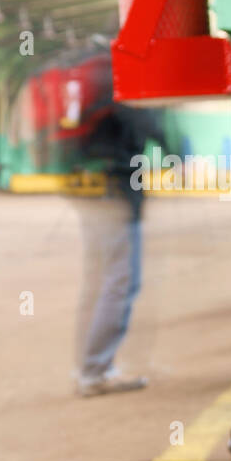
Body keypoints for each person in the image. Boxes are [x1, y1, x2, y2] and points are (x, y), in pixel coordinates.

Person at [64, 47, 166, 397]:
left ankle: (91, 367)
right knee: (119, 282)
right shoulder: (122, 75)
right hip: (115, 191)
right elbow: (145, 123)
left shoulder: (88, 72)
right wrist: (169, 147)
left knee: (100, 280)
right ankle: (95, 371)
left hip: (88, 189)